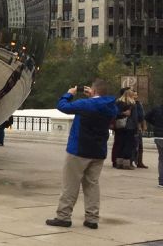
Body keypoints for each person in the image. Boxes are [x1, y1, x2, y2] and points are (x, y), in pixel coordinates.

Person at [45, 79, 117, 229]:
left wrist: (69, 94)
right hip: (98, 151)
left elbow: (62, 106)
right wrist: (92, 95)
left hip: (79, 149)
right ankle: (92, 218)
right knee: (92, 185)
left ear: (94, 91)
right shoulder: (111, 107)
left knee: (70, 184)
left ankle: (63, 216)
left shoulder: (87, 104)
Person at [114, 88, 137, 170]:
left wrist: (121, 114)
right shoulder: (132, 103)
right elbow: (135, 117)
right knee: (128, 145)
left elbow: (114, 113)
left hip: (120, 126)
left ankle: (119, 163)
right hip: (130, 126)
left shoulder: (118, 102)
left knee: (120, 144)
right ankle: (126, 164)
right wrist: (136, 127)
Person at [143, 102, 163, 188]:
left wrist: (155, 124)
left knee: (161, 159)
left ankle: (161, 181)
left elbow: (147, 117)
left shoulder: (157, 108)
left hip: (158, 136)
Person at [134, 98, 148, 168]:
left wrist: (144, 125)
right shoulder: (131, 103)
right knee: (134, 145)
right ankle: (133, 161)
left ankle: (139, 162)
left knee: (140, 146)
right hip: (133, 127)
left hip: (138, 127)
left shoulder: (139, 104)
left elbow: (142, 116)